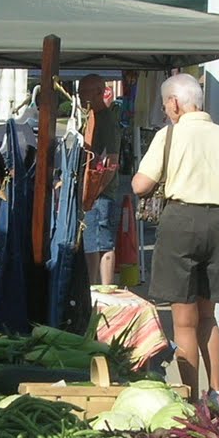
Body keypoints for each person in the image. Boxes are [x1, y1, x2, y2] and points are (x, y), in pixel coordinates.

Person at [131, 72, 219, 404]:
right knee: (208, 315)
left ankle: (190, 398)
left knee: (183, 320)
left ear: (175, 103)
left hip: (181, 221)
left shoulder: (169, 136)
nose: (167, 110)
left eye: (166, 104)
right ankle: (217, 390)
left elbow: (141, 184)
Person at [78, 74, 124, 286]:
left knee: (102, 243)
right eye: (79, 92)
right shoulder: (91, 117)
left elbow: (112, 163)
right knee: (91, 244)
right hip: (92, 193)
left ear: (98, 92)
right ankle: (93, 288)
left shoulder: (105, 120)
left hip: (100, 194)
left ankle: (104, 289)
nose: (79, 97)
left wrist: (95, 192)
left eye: (83, 93)